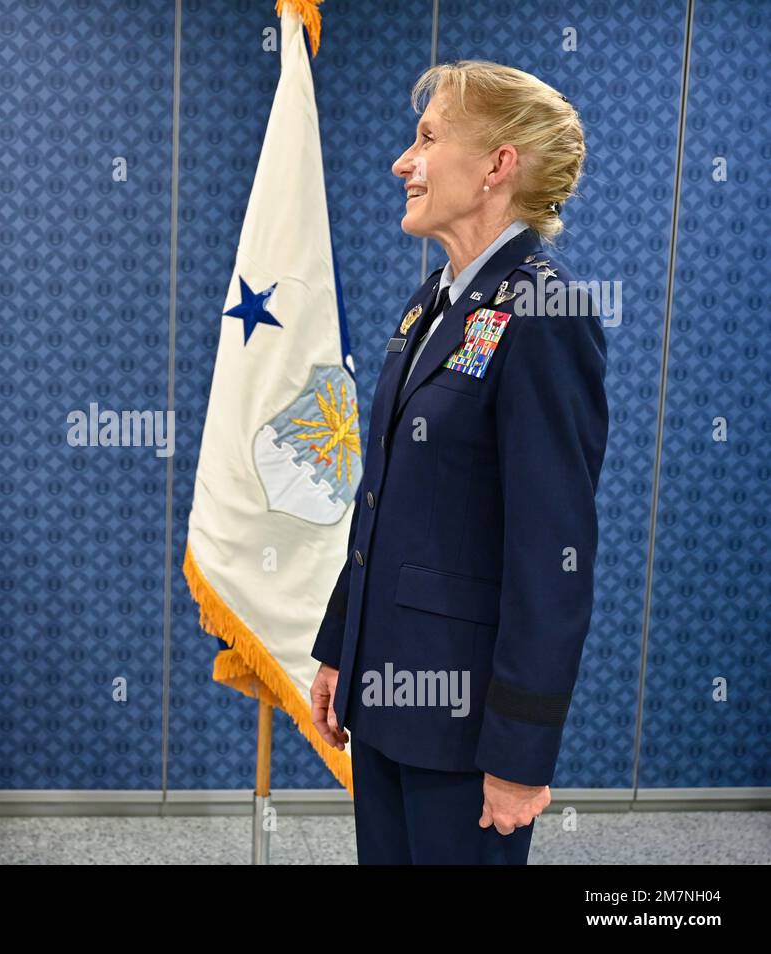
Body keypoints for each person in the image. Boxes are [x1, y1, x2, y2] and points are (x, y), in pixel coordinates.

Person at [308, 61, 609, 864]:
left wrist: (520, 752)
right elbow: (386, 500)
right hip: (386, 700)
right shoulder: (430, 305)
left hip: (465, 731)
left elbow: (554, 557)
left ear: (496, 166)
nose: (403, 161)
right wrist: (343, 644)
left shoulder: (546, 311)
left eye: (428, 138)